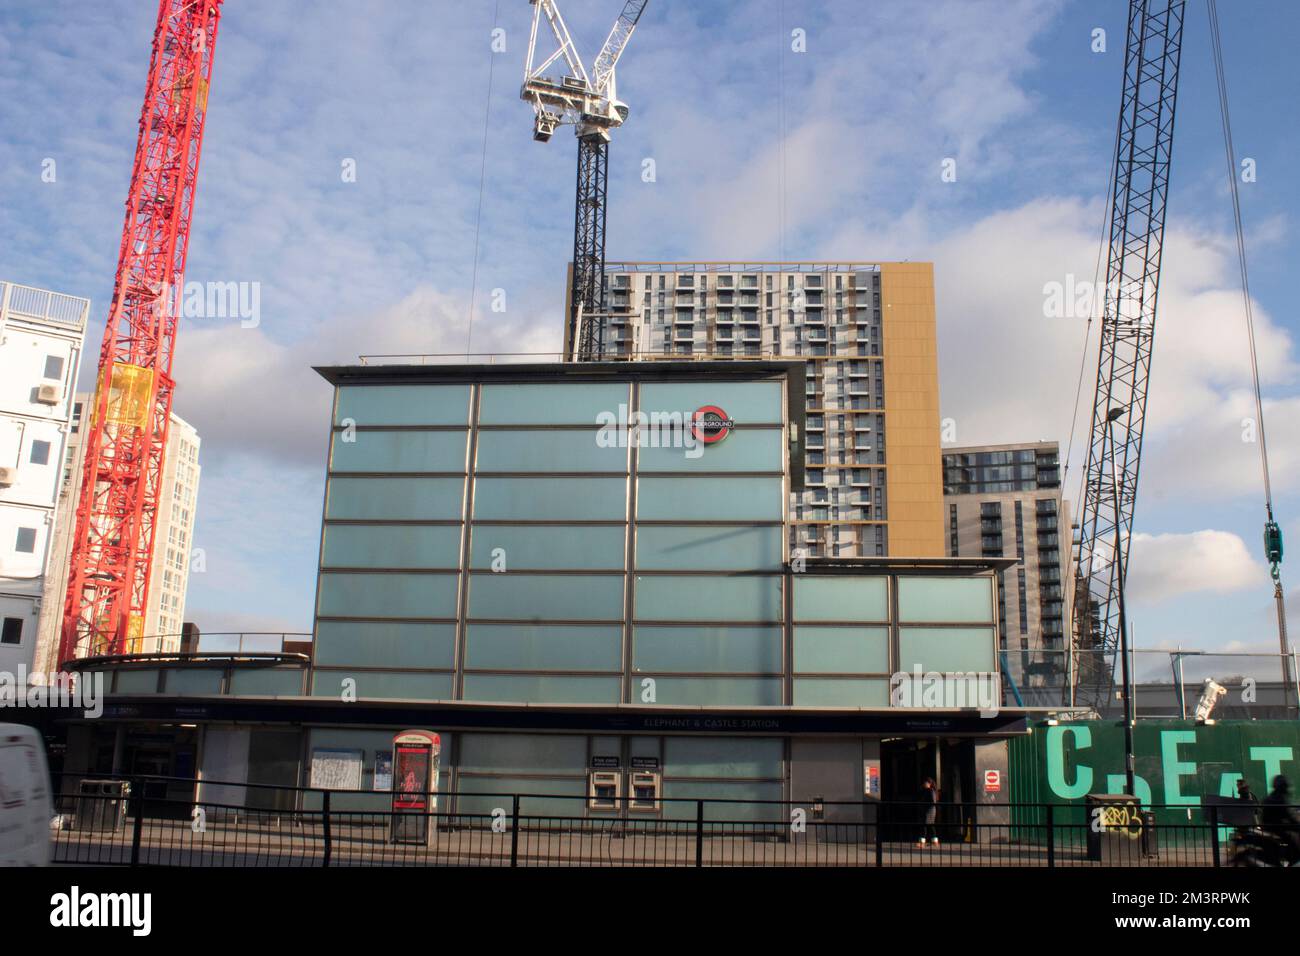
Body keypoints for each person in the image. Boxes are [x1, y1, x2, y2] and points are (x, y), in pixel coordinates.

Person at [1260, 775, 1300, 863]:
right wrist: (1297, 826)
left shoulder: (1271, 797)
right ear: (1283, 786)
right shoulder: (1280, 799)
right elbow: (1289, 817)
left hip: (1269, 827)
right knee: (1294, 845)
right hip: (1276, 828)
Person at [917, 777, 939, 848]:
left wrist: (925, 805)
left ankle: (922, 842)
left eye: (925, 783)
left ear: (929, 784)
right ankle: (934, 841)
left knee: (924, 826)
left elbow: (932, 801)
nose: (924, 784)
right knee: (931, 826)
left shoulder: (930, 791)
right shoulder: (928, 790)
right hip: (930, 811)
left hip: (928, 811)